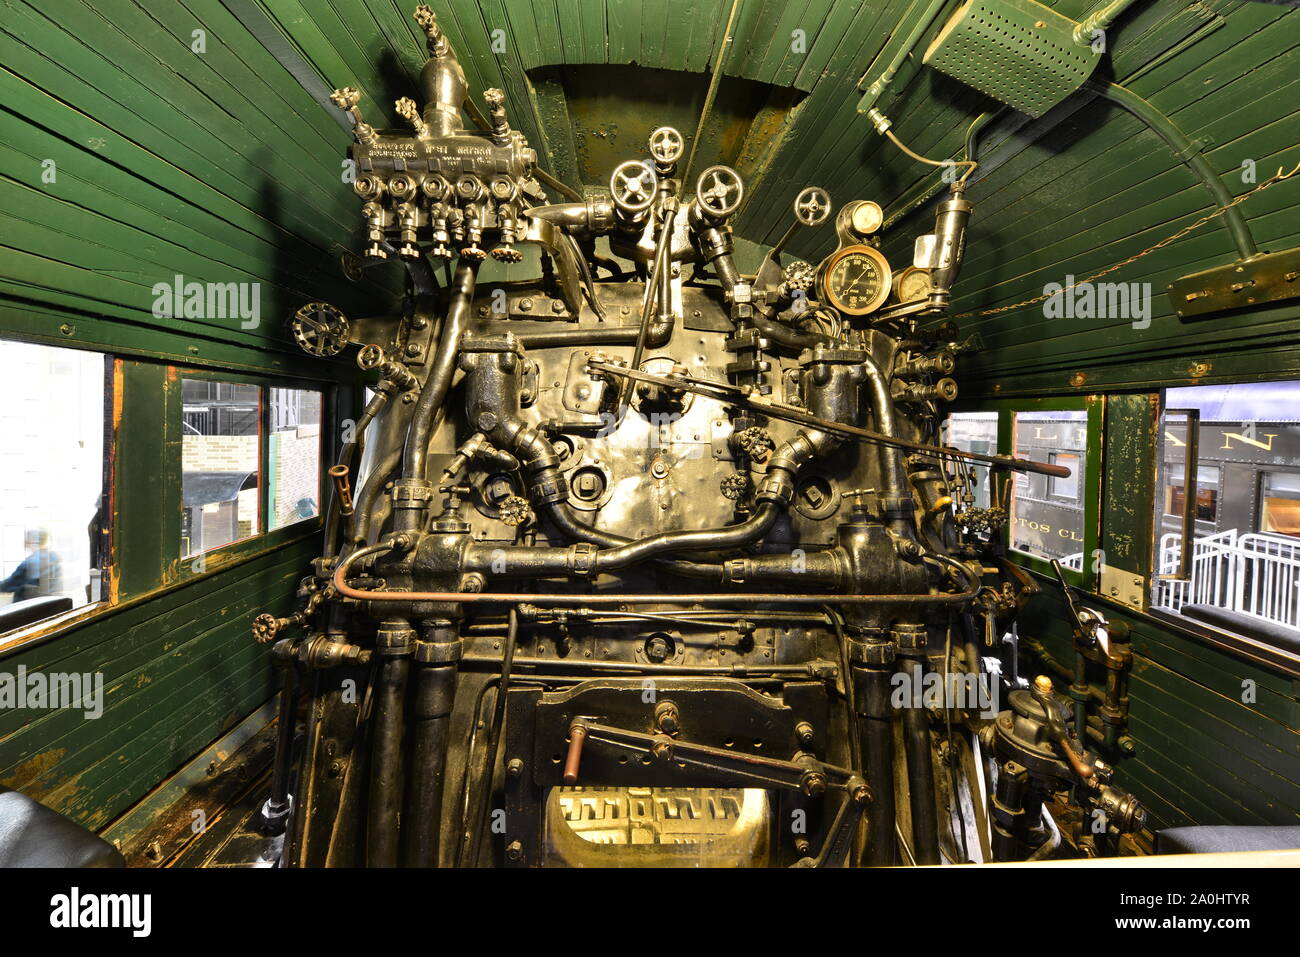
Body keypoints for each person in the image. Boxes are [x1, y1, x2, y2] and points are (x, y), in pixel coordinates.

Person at [0, 528, 63, 602]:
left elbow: (8, 585)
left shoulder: (30, 563)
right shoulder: (54, 557)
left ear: (32, 541)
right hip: (51, 606)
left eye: (27, 539)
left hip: (31, 608)